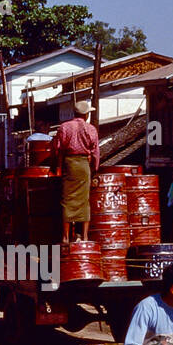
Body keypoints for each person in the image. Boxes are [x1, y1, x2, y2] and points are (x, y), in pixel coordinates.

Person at [53, 100, 99, 243]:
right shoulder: (91, 129)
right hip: (84, 166)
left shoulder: (64, 127)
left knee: (67, 200)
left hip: (69, 165)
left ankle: (65, 237)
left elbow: (57, 149)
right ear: (86, 115)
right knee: (84, 202)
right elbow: (95, 152)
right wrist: (95, 170)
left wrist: (57, 166)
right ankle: (84, 237)